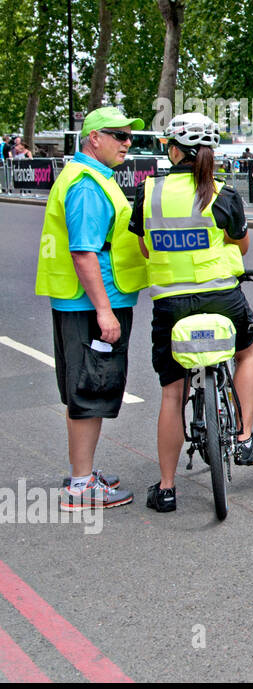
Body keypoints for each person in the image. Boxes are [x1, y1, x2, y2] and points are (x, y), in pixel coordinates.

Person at [128, 112, 253, 513]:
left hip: (170, 303)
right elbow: (240, 246)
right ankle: (243, 439)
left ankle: (168, 488)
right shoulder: (221, 193)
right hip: (221, 298)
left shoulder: (149, 192)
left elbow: (143, 248)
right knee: (246, 352)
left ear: (172, 150)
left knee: (173, 393)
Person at [35, 107, 149, 511]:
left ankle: (83, 471)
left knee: (84, 388)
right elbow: (84, 252)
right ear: (94, 138)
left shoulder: (89, 176)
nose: (127, 143)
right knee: (90, 389)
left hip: (81, 299)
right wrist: (105, 311)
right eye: (119, 135)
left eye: (129, 136)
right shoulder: (86, 184)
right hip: (92, 303)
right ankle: (81, 484)